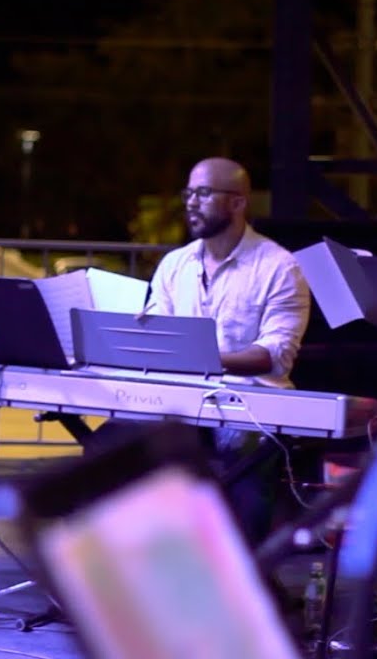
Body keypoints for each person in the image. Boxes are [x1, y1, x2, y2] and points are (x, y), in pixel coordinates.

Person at [146, 157, 312, 544]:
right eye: (189, 193)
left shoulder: (279, 267)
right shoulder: (175, 264)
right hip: (182, 397)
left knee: (242, 444)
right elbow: (157, 333)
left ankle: (245, 563)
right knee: (113, 443)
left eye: (204, 193)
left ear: (238, 202)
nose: (191, 202)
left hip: (250, 401)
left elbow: (275, 355)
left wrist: (203, 360)